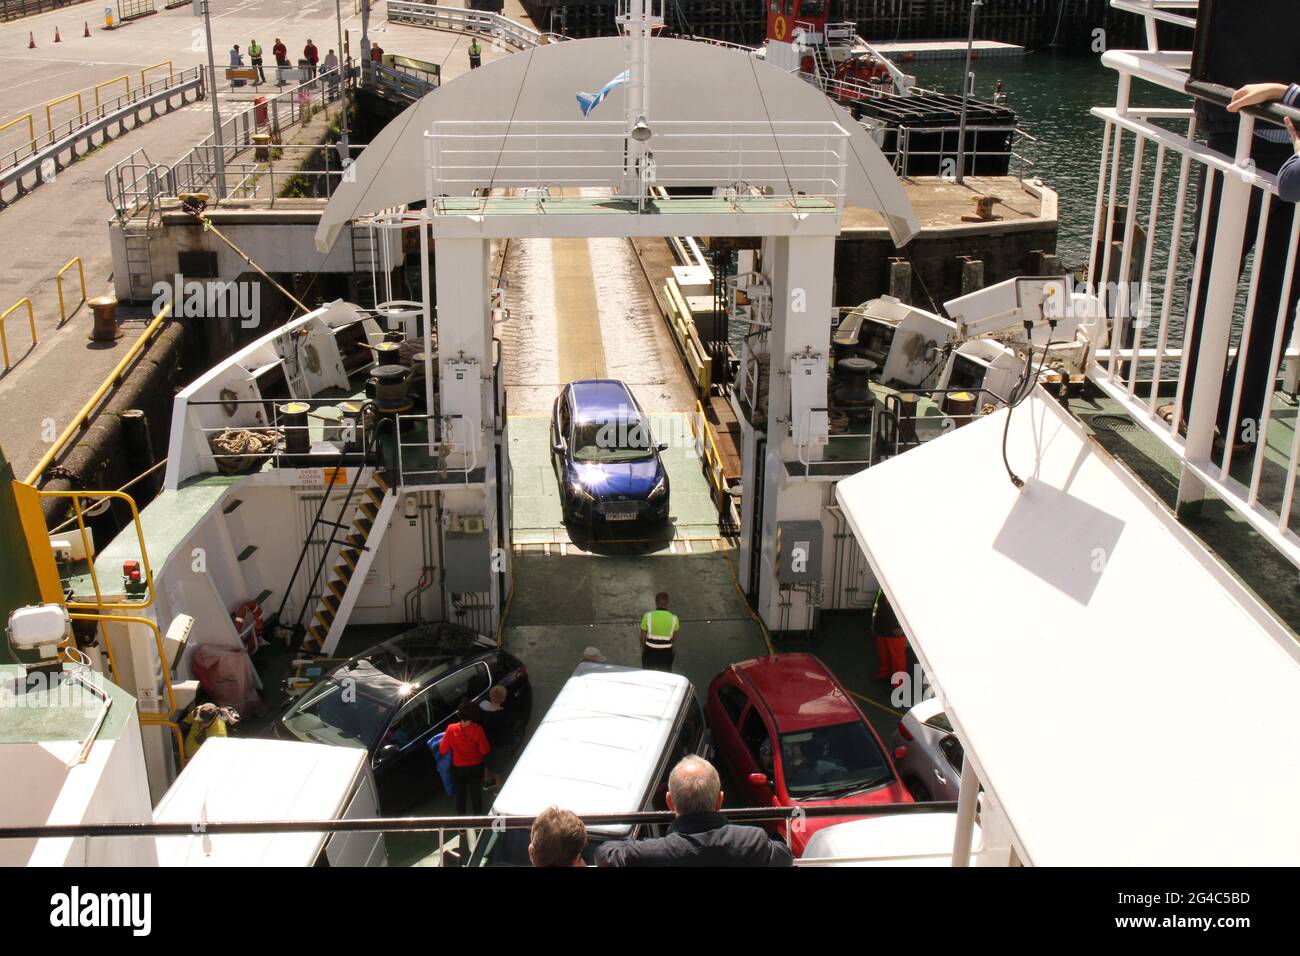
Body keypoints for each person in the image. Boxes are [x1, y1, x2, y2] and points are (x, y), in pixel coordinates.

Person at [1173, 79, 1300, 454]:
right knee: (1277, 295)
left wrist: (1284, 93)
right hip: (1265, 139)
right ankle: (1239, 426)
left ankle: (1194, 414)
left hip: (1237, 135)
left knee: (1212, 281)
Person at [595, 756, 793, 867]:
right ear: (720, 800)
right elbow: (784, 856)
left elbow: (604, 853)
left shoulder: (647, 853)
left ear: (670, 803)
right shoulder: (752, 841)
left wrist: (637, 844)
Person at [439, 701, 491, 815]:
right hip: (476, 767)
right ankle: (478, 823)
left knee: (460, 796)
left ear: (459, 715)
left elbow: (442, 750)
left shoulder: (450, 729)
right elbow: (484, 750)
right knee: (475, 794)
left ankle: (461, 825)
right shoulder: (478, 730)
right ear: (473, 716)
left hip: (458, 768)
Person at [477, 685, 510, 789]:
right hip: (500, 744)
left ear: (491, 696)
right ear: (503, 699)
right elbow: (507, 731)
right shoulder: (503, 715)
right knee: (498, 767)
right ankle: (497, 788)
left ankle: (486, 782)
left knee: (488, 762)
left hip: (486, 743)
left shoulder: (482, 707)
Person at [873, 590, 907, 689]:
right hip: (881, 628)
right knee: (883, 655)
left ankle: (899, 686)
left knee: (897, 659)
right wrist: (874, 624)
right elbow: (876, 607)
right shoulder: (882, 588)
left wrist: (901, 627)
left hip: (896, 630)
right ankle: (884, 675)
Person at [639, 591, 679, 672]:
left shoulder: (647, 616)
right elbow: (674, 639)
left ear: (656, 602)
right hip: (666, 652)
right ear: (667, 602)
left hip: (650, 651)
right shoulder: (674, 618)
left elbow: (642, 638)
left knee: (648, 674)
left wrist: (646, 648)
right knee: (665, 674)